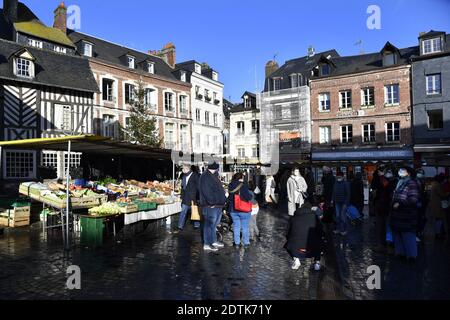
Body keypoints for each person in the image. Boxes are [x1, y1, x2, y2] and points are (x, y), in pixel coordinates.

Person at [390, 166, 420, 263]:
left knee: (408, 235)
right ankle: (400, 254)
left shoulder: (412, 183)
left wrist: (400, 203)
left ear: (409, 173)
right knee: (398, 234)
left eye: (403, 171)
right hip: (397, 215)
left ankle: (411, 257)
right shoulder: (400, 183)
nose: (400, 172)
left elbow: (414, 199)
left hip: (407, 215)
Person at [285, 201, 324, 271]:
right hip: (312, 248)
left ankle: (296, 259)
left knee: (287, 244)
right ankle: (317, 263)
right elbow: (321, 232)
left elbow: (287, 233)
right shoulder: (315, 218)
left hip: (295, 247)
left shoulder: (293, 217)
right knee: (320, 241)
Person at [199, 162, 227, 252]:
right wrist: (212, 203)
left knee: (214, 225)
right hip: (210, 205)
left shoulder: (214, 175)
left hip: (217, 205)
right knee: (209, 225)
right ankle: (207, 243)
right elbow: (206, 191)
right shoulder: (205, 176)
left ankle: (213, 241)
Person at [228, 172, 253, 248]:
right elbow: (247, 197)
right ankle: (246, 243)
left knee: (236, 226)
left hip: (233, 209)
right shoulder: (243, 185)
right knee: (245, 227)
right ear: (241, 178)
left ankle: (237, 244)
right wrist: (251, 195)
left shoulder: (230, 185)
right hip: (243, 210)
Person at [372, 167, 392, 252]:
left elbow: (377, 190)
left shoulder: (381, 179)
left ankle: (382, 244)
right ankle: (386, 243)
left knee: (381, 225)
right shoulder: (386, 179)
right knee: (385, 225)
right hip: (384, 205)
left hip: (381, 205)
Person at [177, 165, 200, 232]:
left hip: (194, 196)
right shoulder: (184, 176)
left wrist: (198, 197)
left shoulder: (195, 175)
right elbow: (182, 188)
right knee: (183, 211)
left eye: (183, 169)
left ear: (187, 169)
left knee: (194, 210)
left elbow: (198, 187)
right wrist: (181, 196)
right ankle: (180, 226)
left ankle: (197, 224)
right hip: (186, 197)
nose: (182, 170)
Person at [427, 174, 449, 240]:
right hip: (438, 204)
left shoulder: (433, 184)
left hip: (434, 204)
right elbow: (442, 195)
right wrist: (447, 193)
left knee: (437, 219)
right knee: (439, 219)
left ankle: (438, 233)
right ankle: (438, 233)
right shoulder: (437, 185)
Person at [332, 172, 351, 236]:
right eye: (338, 177)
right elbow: (333, 192)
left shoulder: (346, 183)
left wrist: (346, 203)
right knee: (337, 216)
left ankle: (344, 230)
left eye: (340, 177)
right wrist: (333, 200)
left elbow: (348, 194)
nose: (339, 178)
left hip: (343, 203)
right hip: (337, 202)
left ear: (343, 177)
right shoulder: (335, 183)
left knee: (342, 216)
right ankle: (338, 229)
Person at [415, 168, 428, 241]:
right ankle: (418, 232)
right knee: (419, 217)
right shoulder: (419, 182)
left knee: (420, 217)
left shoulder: (420, 182)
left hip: (419, 202)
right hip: (419, 202)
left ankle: (418, 232)